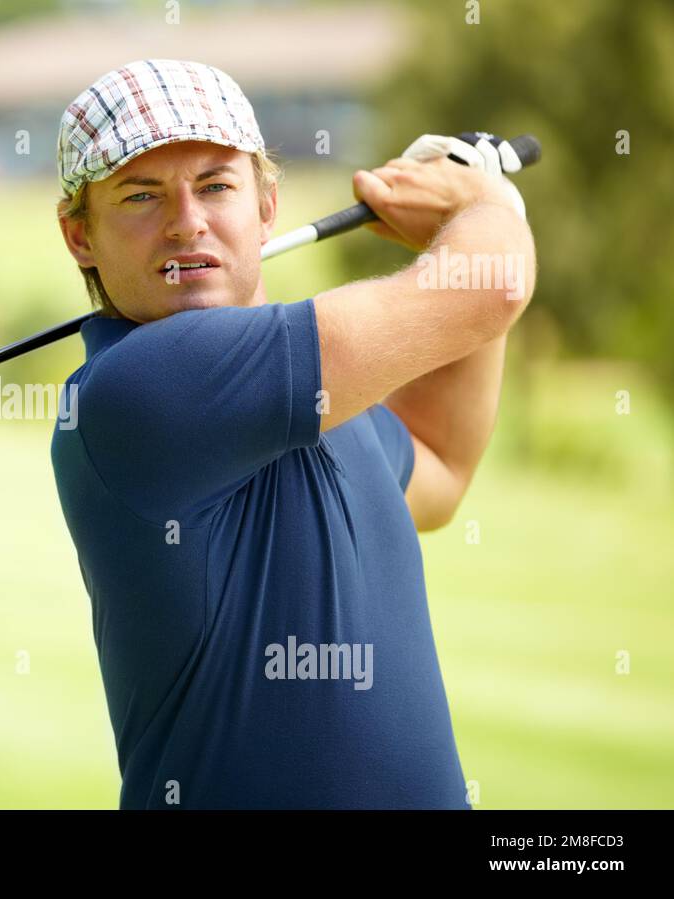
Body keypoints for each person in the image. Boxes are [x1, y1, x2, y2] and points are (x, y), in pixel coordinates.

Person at [50, 58, 536, 809]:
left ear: (267, 207)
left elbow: (437, 463)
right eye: (142, 195)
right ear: (79, 234)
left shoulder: (308, 393)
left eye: (216, 185)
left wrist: (466, 219)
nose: (187, 219)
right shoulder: (140, 387)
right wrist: (485, 201)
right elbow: (492, 285)